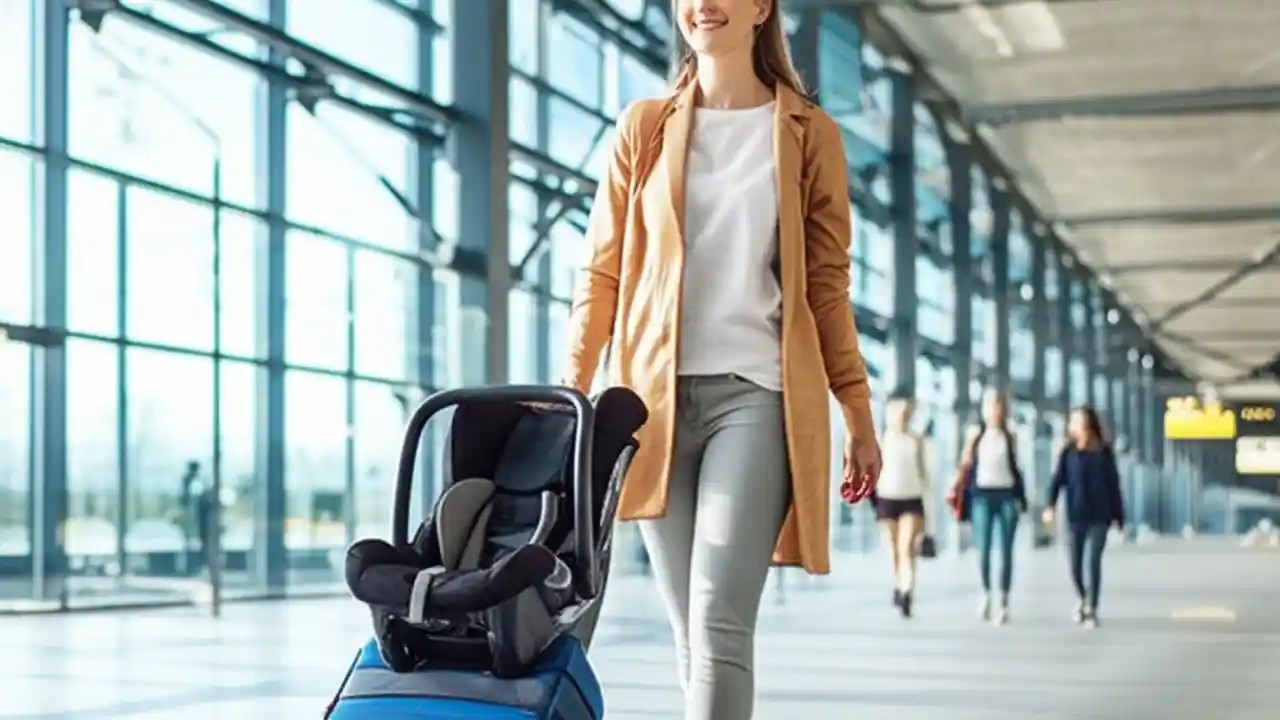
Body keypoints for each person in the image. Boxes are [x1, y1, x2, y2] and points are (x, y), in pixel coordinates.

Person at [561, 0, 883, 716]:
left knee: (718, 620)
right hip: (652, 408)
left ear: (762, 8)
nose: (703, 4)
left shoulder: (808, 133)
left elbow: (827, 289)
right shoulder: (644, 128)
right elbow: (602, 273)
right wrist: (571, 392)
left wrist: (856, 409)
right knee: (690, 633)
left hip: (757, 397)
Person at [949, 389, 1026, 625]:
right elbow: (965, 464)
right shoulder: (976, 434)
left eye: (998, 404)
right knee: (983, 550)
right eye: (990, 404)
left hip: (1007, 496)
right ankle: (986, 593)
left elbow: (1016, 466)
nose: (995, 409)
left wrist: (1021, 498)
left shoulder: (1011, 433)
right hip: (981, 496)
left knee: (1006, 550)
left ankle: (1003, 599)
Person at [1044, 407, 1125, 629]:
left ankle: (1092, 607)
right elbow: (1057, 480)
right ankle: (1082, 597)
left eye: (1076, 421)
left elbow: (1113, 485)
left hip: (1100, 516)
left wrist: (1120, 518)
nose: (1072, 425)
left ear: (1087, 424)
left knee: (1093, 562)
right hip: (1075, 517)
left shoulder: (1104, 452)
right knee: (1075, 567)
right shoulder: (1068, 452)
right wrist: (1050, 505)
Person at [873, 395, 930, 618]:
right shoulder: (884, 440)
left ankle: (907, 589)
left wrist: (928, 515)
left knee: (907, 547)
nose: (902, 418)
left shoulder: (916, 440)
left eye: (906, 414)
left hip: (912, 498)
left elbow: (924, 473)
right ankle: (899, 583)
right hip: (887, 498)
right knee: (894, 548)